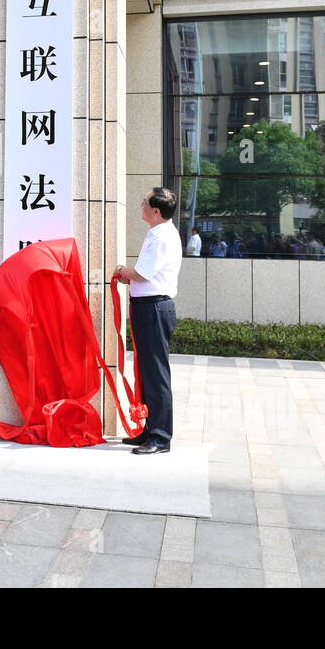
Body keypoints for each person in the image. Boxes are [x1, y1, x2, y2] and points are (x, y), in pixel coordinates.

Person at [113, 186, 183, 456]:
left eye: (143, 202)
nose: (140, 205)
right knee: (146, 373)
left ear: (156, 211)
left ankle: (160, 437)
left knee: (156, 374)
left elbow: (142, 273)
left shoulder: (162, 236)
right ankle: (149, 429)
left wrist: (121, 271)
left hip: (154, 308)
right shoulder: (158, 233)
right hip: (148, 308)